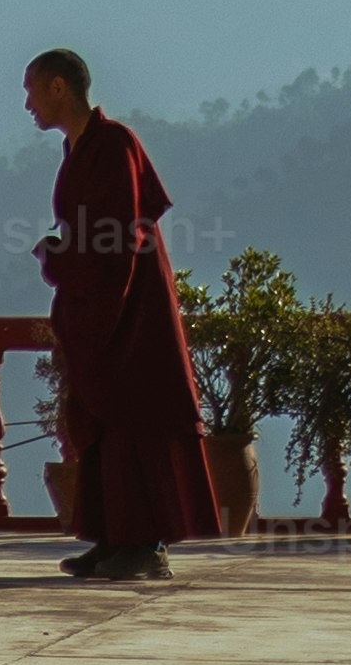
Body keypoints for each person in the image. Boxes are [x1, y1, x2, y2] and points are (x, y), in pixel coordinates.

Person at [24, 47, 219, 582]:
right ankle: (113, 539)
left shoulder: (114, 145)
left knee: (138, 417)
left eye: (32, 89)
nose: (27, 103)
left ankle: (146, 545)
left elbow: (118, 240)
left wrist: (58, 259)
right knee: (103, 422)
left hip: (133, 308)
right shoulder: (78, 148)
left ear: (60, 87)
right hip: (100, 303)